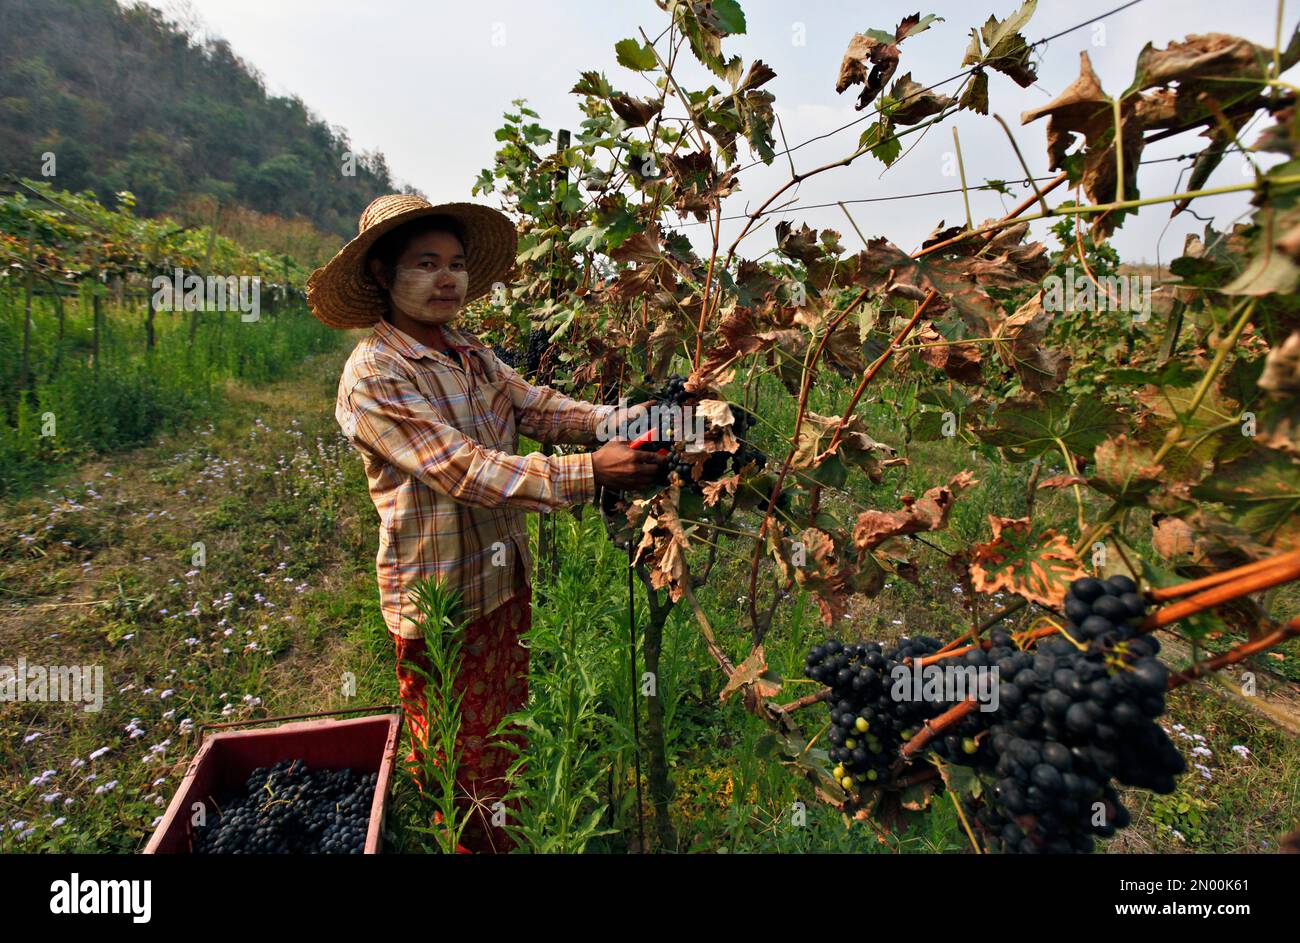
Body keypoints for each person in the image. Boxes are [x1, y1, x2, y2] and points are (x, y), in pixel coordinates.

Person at [307, 194, 665, 852]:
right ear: (383, 275)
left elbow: (535, 405)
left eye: (456, 264)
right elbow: (467, 472)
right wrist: (593, 471)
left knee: (504, 732)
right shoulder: (375, 377)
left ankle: (508, 831)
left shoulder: (468, 349)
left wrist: (614, 420)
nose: (447, 279)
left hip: (501, 578)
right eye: (425, 264)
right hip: (439, 598)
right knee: (456, 757)